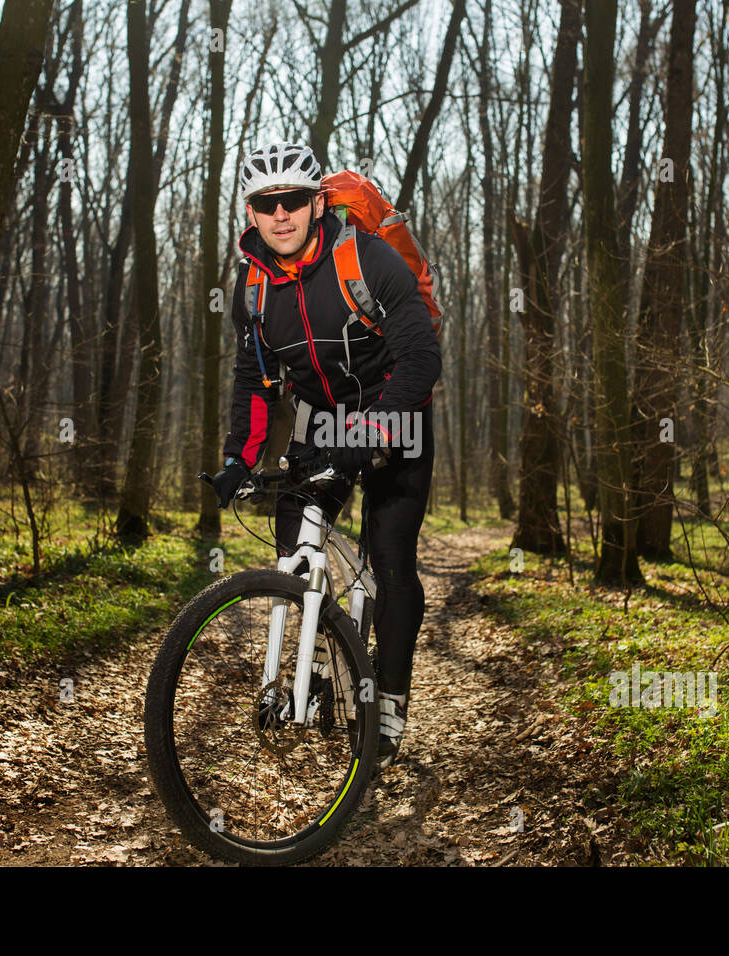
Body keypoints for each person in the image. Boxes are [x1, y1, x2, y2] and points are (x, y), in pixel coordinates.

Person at [210, 142, 441, 770]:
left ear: (316, 203)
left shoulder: (367, 260)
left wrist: (375, 431)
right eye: (266, 204)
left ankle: (388, 703)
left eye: (292, 201)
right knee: (292, 550)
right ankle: (307, 659)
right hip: (319, 419)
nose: (280, 214)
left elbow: (423, 356)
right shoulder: (253, 289)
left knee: (392, 561)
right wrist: (238, 459)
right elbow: (254, 381)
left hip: (397, 413)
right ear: (252, 214)